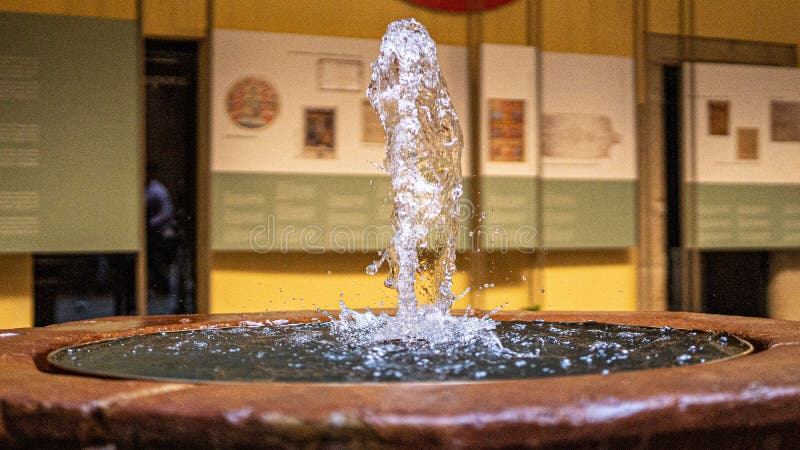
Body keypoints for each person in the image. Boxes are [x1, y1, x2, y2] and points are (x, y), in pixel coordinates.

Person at [146, 163, 177, 299]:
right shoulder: (145, 188)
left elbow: (167, 212)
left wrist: (151, 223)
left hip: (159, 232)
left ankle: (163, 288)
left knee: (157, 262)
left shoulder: (157, 190)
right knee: (152, 262)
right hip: (150, 231)